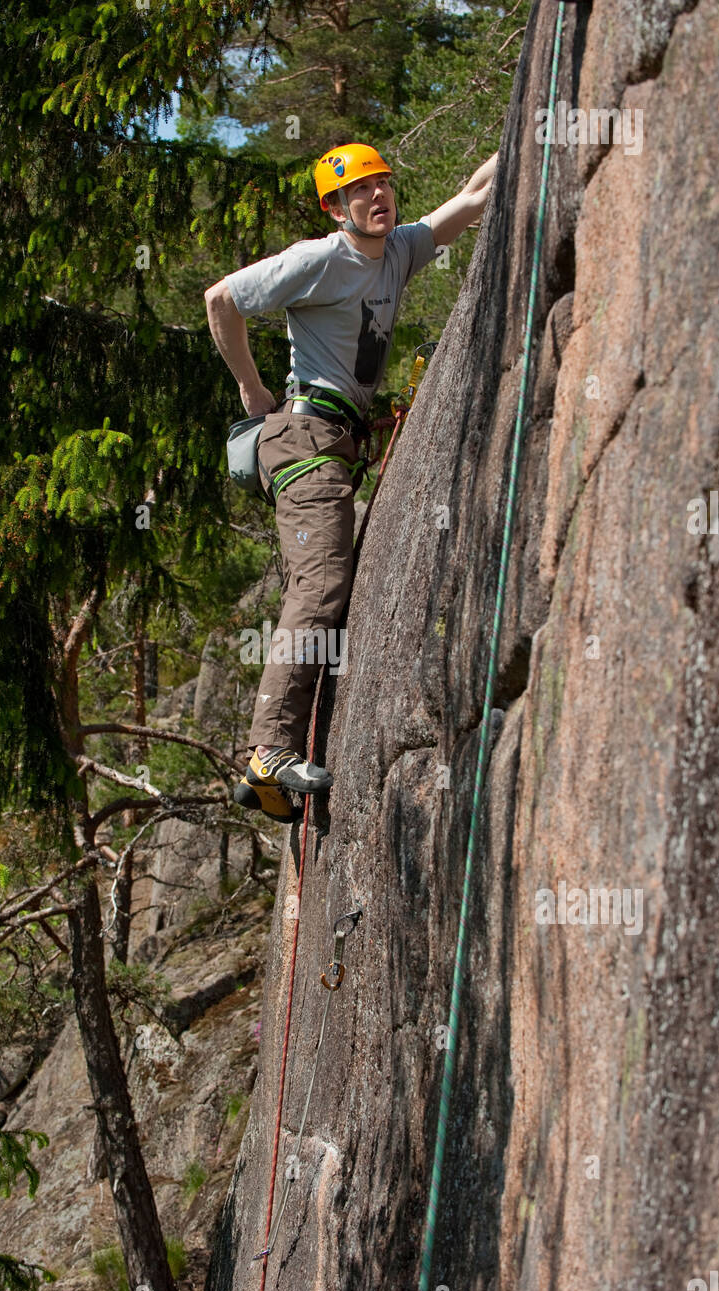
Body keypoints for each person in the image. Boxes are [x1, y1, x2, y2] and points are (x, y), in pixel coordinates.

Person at [205, 142, 497, 822]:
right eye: (358, 192)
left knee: (330, 584)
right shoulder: (320, 257)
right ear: (335, 209)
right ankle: (267, 751)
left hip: (336, 441)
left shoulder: (401, 249)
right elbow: (222, 298)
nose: (375, 198)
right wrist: (251, 390)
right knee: (322, 581)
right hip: (302, 435)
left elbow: (475, 198)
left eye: (382, 186)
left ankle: (270, 773)